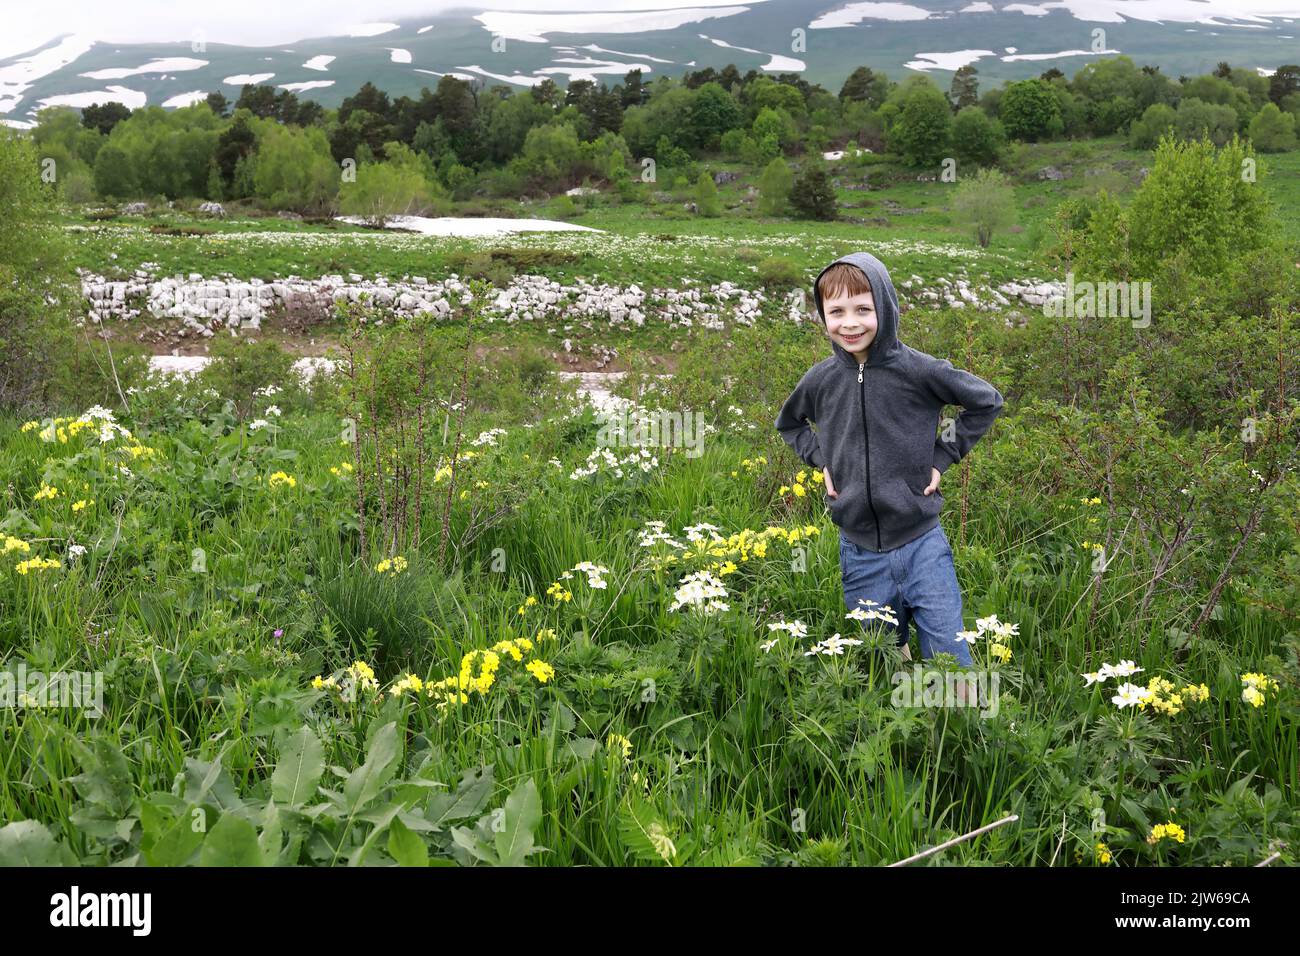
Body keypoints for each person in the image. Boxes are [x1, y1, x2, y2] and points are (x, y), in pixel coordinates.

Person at [775, 251, 1004, 667]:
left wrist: (942, 454)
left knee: (949, 655)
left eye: (863, 309)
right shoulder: (820, 379)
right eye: (837, 311)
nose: (850, 322)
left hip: (921, 542)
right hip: (858, 548)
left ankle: (967, 729)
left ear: (885, 306)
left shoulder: (918, 370)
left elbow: (986, 403)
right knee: (881, 656)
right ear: (823, 316)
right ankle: (905, 724)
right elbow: (789, 425)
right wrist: (822, 459)